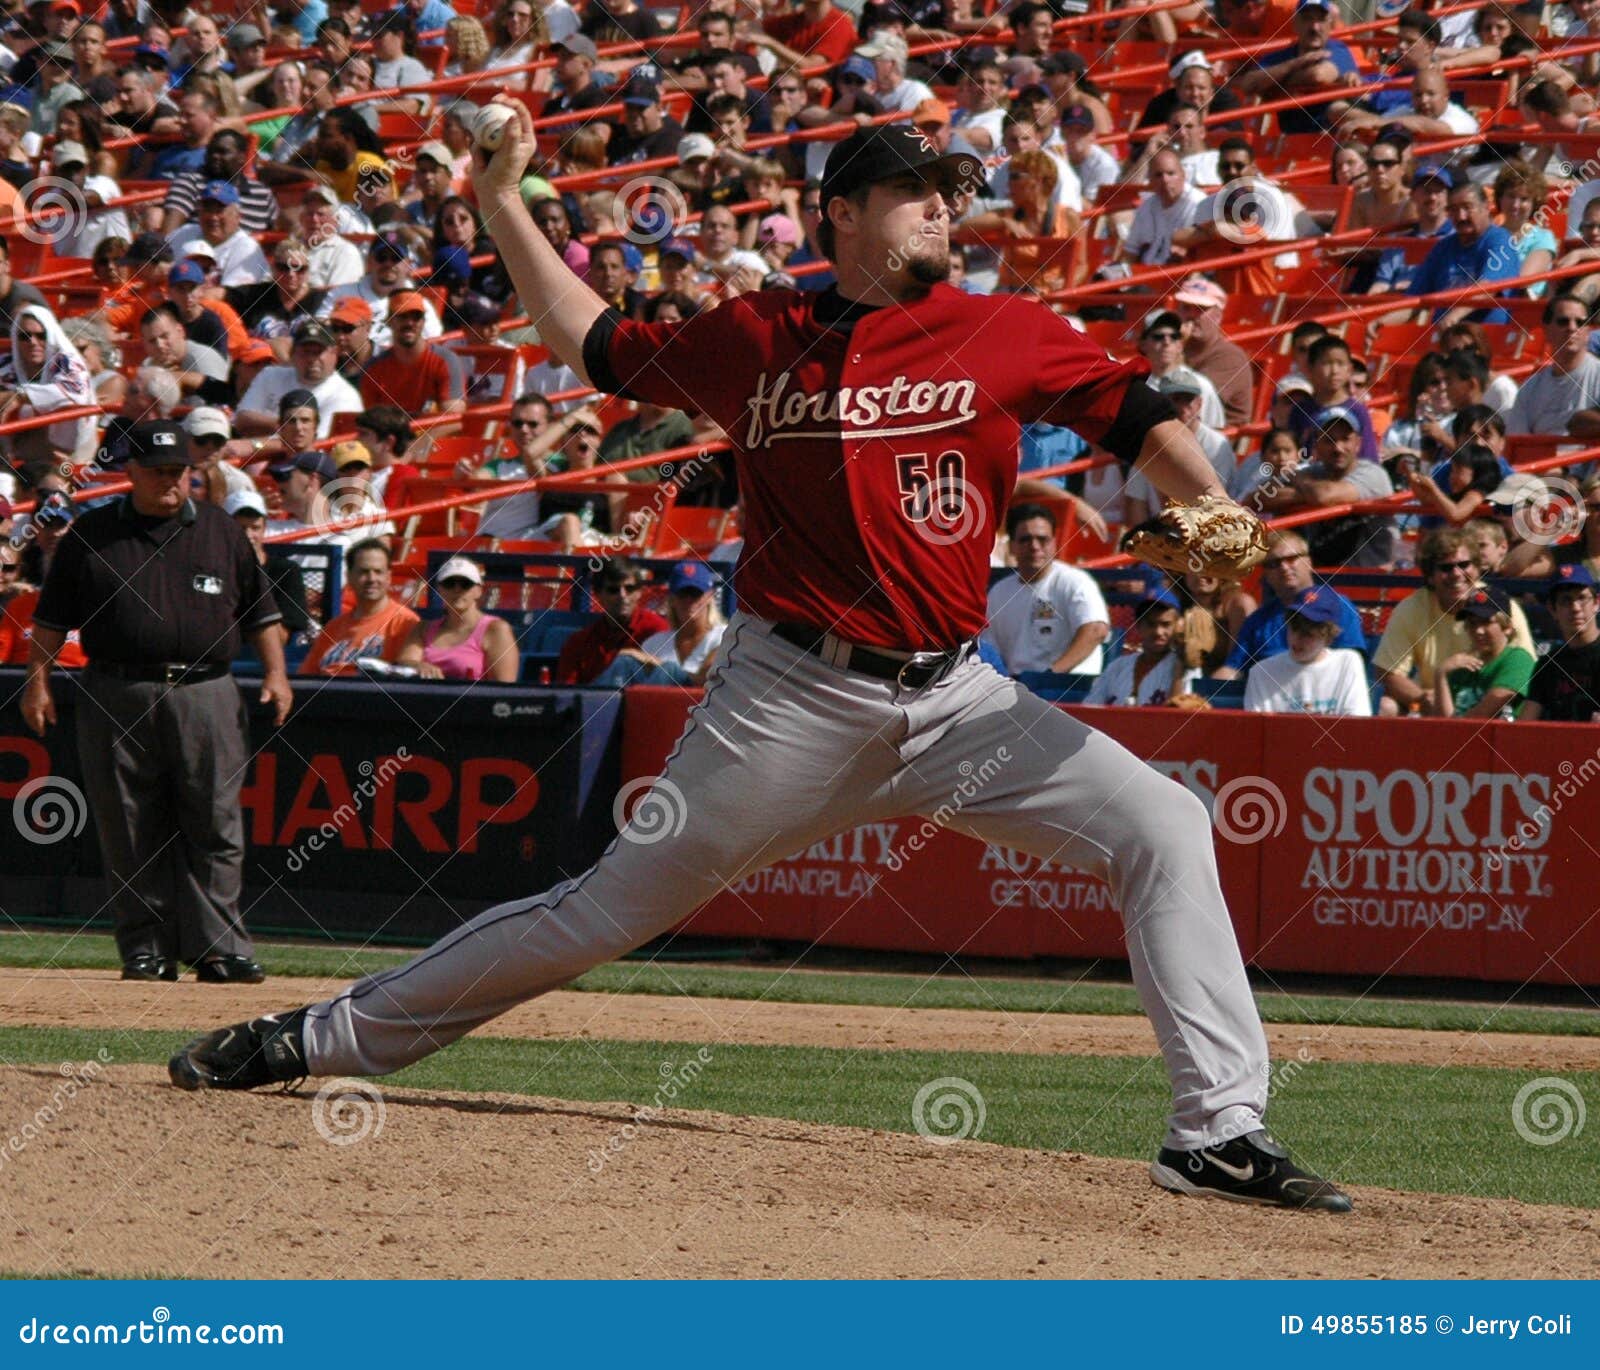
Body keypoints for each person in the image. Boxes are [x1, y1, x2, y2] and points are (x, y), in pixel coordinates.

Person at [168, 112, 1351, 1215]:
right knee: (599, 913)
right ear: (839, 212)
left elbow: (1141, 413)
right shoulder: (759, 336)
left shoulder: (1004, 327)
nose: (942, 208)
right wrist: (499, 201)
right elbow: (592, 341)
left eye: (949, 192)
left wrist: (1216, 519)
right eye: (912, 191)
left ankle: (1214, 1131)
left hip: (958, 696)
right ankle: (316, 1038)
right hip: (787, 698)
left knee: (1163, 826)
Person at [22, 420, 291, 984]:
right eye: (160, 471)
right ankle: (145, 948)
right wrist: (37, 682)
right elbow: (49, 621)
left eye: (180, 471)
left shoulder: (220, 530)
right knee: (128, 823)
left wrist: (276, 674)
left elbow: (261, 613)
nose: (172, 482)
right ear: (132, 473)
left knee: (215, 820)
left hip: (207, 690)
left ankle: (219, 947)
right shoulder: (92, 534)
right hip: (118, 689)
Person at [1373, 527, 1535, 714]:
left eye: (1464, 565)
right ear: (1430, 576)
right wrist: (1423, 699)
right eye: (1446, 567)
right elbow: (1387, 673)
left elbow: (1524, 669)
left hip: (1490, 702)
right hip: (1435, 700)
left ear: (1477, 568)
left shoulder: (1501, 604)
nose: (1457, 574)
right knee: (1387, 706)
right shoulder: (1410, 608)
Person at [1256, 408, 1396, 569]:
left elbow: (1324, 495)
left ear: (1358, 443)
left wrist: (1299, 480)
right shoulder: (1313, 472)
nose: (1338, 448)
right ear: (1317, 444)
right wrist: (1308, 491)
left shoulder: (1373, 474)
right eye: (1329, 440)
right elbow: (1261, 498)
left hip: (1368, 576)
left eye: (1345, 439)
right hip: (1318, 576)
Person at [1217, 529, 1365, 680]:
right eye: (1274, 564)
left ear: (1308, 562)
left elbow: (1350, 664)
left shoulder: (1339, 606)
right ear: (1266, 574)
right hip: (1270, 698)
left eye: (1291, 558)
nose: (1284, 567)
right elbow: (1233, 669)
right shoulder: (1257, 621)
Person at [983, 503, 1109, 676]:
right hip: (1016, 688)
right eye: (1025, 540)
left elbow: (1096, 630)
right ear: (1011, 546)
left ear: (1054, 543)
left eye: (1042, 539)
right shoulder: (999, 592)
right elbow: (989, 648)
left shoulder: (1074, 581)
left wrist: (1050, 674)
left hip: (1067, 686)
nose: (1034, 546)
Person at [591, 560, 726, 685]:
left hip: (700, 706)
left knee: (668, 670)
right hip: (655, 704)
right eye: (682, 594)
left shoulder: (724, 636)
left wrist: (655, 663)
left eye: (696, 594)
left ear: (709, 596)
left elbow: (707, 680)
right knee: (624, 663)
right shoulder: (654, 643)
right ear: (672, 598)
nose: (689, 600)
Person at [1243, 586, 1372, 716]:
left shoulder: (1348, 662)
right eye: (1294, 627)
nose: (1297, 638)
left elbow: (1357, 723)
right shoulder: (1260, 672)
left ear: (1328, 637)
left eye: (1308, 633)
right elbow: (1257, 729)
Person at [298, 539, 419, 676]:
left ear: (389, 577)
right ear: (349, 576)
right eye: (363, 572)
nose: (372, 579)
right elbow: (307, 675)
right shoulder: (333, 627)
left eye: (378, 572)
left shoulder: (405, 623)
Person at [397, 557, 519, 682]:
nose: (457, 589)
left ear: (478, 590)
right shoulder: (422, 629)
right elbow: (404, 663)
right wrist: (418, 666)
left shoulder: (496, 629)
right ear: (439, 589)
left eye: (465, 584)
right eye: (449, 583)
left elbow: (504, 687)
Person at [553, 556, 669, 684]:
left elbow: (673, 678)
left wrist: (633, 658)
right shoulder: (578, 643)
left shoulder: (658, 630)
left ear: (640, 592)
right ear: (598, 594)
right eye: (613, 590)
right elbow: (565, 695)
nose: (622, 596)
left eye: (629, 589)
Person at [1432, 585, 1534, 720]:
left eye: (1486, 622)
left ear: (1507, 627)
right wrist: (1441, 675)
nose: (1478, 631)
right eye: (1472, 624)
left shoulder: (1517, 659)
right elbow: (1442, 724)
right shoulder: (1461, 667)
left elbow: (1482, 715)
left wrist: (1454, 729)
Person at [224, 489, 311, 646]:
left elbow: (281, 638)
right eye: (240, 528)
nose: (248, 535)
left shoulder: (286, 571)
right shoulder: (213, 569)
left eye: (255, 527)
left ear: (264, 529)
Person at [1083, 587, 1197, 706]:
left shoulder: (1187, 668)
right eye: (1150, 624)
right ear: (1138, 626)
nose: (1158, 632)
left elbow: (1180, 717)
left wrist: (1179, 672)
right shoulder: (1117, 667)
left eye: (1166, 624)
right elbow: (1090, 707)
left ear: (1177, 626)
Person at [1506, 294, 1600, 438]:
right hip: (1539, 459)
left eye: (1580, 322)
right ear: (1546, 330)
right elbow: (1518, 443)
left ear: (1588, 331)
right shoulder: (1530, 388)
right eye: (1563, 322)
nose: (1572, 328)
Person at [1523, 565, 1600, 721]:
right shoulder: (1548, 665)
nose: (1576, 608)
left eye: (1582, 598)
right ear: (1552, 610)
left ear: (1596, 603)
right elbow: (1525, 723)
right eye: (1566, 601)